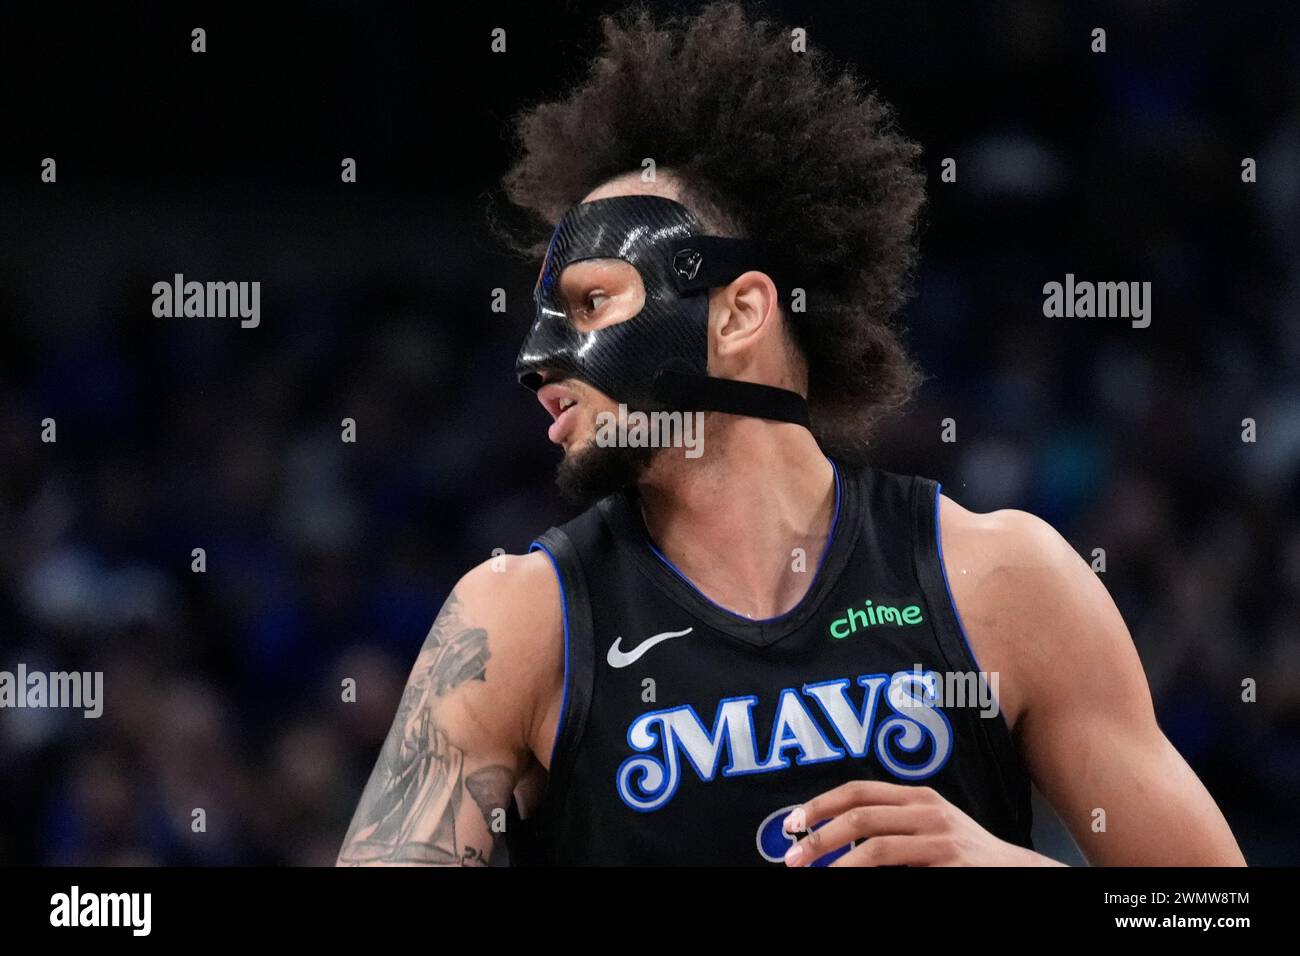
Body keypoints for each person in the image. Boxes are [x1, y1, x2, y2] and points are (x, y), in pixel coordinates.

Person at [337, 2, 1244, 867]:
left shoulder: (1002, 579)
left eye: (591, 303)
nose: (538, 359)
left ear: (740, 314)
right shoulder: (520, 618)